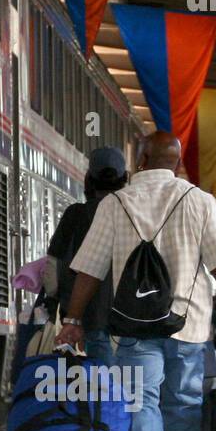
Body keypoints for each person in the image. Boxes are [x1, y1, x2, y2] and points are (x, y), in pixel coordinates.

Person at [55, 131, 216, 431]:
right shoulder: (200, 201)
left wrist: (73, 319)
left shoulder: (115, 203)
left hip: (133, 327)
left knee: (139, 401)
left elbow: (88, 270)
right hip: (190, 327)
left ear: (141, 161)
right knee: (182, 407)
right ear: (178, 164)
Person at [45, 147, 130, 365]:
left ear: (89, 179)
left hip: (88, 314)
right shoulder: (132, 213)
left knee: (102, 385)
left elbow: (54, 264)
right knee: (131, 384)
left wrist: (55, 302)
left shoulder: (76, 214)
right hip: (131, 316)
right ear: (125, 179)